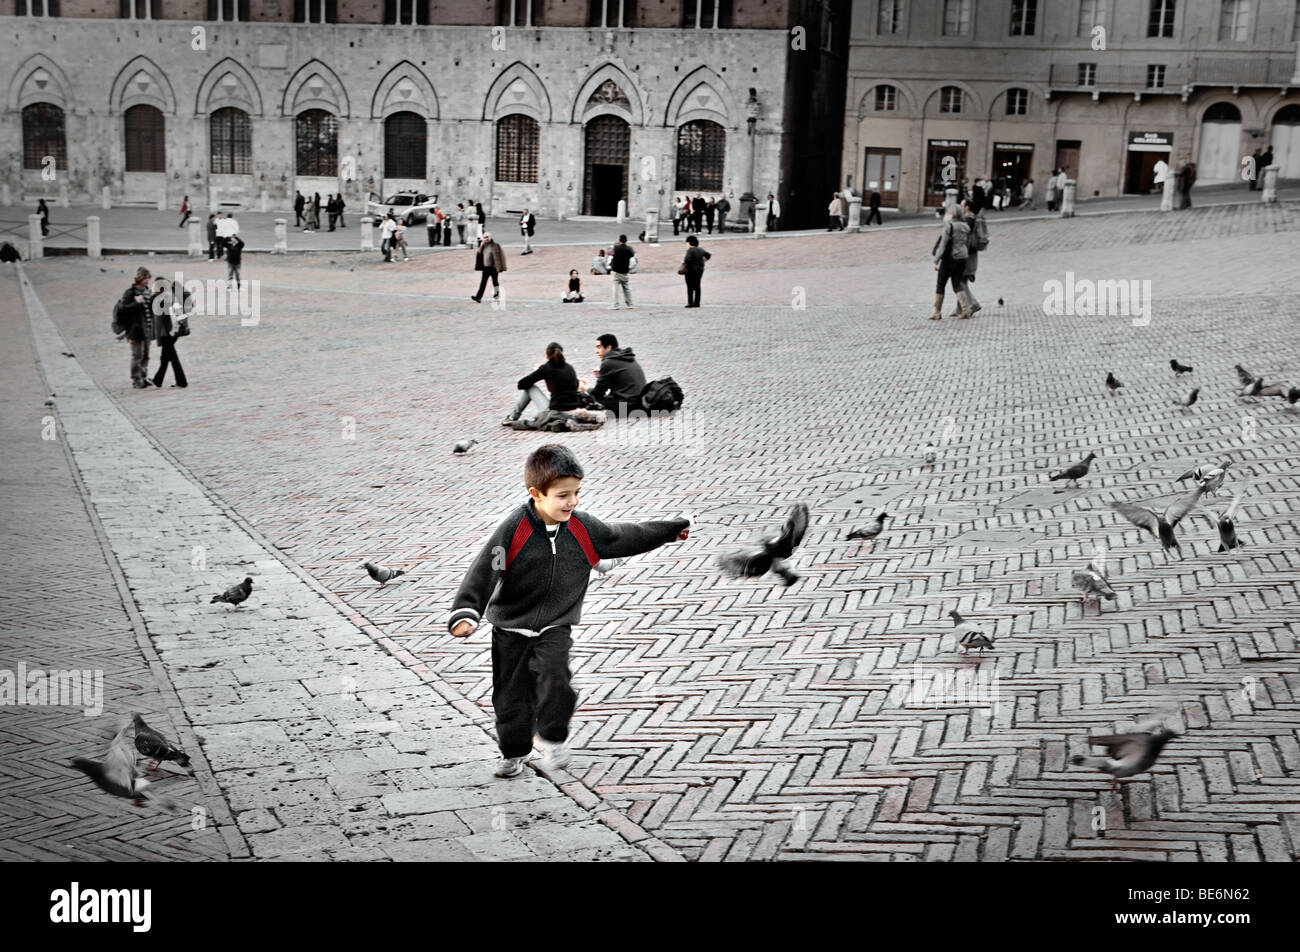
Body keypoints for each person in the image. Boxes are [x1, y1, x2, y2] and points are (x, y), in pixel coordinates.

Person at [447, 444, 690, 778]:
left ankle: (552, 736)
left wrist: (671, 529)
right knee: (509, 698)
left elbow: (624, 536)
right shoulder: (514, 529)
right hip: (510, 629)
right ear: (536, 494)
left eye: (577, 493)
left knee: (556, 680)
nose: (572, 502)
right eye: (563, 495)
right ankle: (515, 752)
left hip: (555, 625)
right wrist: (466, 611)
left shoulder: (581, 526)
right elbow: (486, 569)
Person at [505, 342, 584, 425]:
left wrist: (538, 372)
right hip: (574, 410)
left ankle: (512, 417)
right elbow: (576, 385)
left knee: (530, 387)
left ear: (547, 355)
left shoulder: (546, 368)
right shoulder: (570, 367)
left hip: (555, 412)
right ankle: (512, 417)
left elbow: (521, 384)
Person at [585, 333, 648, 417]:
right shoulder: (627, 357)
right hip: (639, 403)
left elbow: (598, 392)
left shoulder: (608, 363)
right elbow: (621, 381)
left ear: (608, 348)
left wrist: (583, 388)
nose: (596, 351)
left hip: (625, 407)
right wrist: (603, 375)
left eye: (599, 347)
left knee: (588, 397)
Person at [929, 204, 973, 320]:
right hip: (962, 258)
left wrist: (936, 261)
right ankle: (965, 310)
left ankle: (936, 312)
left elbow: (942, 246)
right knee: (957, 284)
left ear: (952, 214)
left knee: (940, 285)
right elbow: (968, 243)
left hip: (950, 259)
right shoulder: (965, 226)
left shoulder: (949, 226)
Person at [149, 276, 190, 389]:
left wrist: (171, 331)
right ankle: (160, 380)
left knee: (170, 357)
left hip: (169, 333)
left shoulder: (165, 299)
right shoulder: (169, 296)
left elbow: (171, 317)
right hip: (171, 332)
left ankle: (180, 381)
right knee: (167, 357)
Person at [117, 267, 154, 389]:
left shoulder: (148, 291)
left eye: (148, 278)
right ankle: (136, 379)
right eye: (146, 278)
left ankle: (143, 376)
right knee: (137, 355)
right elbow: (122, 309)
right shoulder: (130, 293)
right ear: (140, 278)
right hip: (135, 329)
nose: (147, 281)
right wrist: (136, 303)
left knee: (146, 355)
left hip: (148, 327)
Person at [948, 198, 984, 318]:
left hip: (967, 254)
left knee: (959, 281)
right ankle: (959, 308)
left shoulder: (968, 220)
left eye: (962, 205)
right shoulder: (972, 219)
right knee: (962, 281)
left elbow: (962, 238)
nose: (960, 207)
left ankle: (973, 303)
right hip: (970, 254)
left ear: (967, 207)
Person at [471, 232, 506, 301]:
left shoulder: (495, 245)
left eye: (487, 237)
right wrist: (481, 246)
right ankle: (478, 297)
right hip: (485, 268)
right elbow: (479, 253)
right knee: (483, 283)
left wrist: (500, 267)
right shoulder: (483, 245)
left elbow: (501, 256)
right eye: (484, 237)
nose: (486, 239)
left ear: (490, 237)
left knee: (495, 282)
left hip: (493, 267)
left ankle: (496, 295)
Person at [681, 234, 710, 308]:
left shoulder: (690, 250)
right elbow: (708, 255)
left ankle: (690, 302)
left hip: (690, 270)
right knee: (697, 286)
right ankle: (697, 303)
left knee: (690, 287)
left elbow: (687, 260)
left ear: (689, 243)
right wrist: (703, 261)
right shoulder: (701, 249)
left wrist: (684, 264)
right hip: (700, 270)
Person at [609, 234, 634, 310]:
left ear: (619, 240)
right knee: (626, 288)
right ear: (626, 241)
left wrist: (613, 245)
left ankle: (615, 305)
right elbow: (632, 254)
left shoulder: (616, 248)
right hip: (625, 271)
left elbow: (609, 253)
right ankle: (630, 304)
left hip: (616, 271)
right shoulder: (629, 248)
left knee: (615, 289)